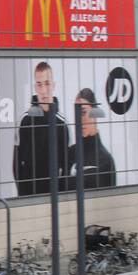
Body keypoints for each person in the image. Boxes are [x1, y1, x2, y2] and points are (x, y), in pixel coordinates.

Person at [13, 61, 70, 196]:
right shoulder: (25, 121)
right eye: (39, 84)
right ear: (35, 87)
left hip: (55, 198)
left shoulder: (63, 124)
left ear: (53, 85)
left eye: (47, 83)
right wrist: (25, 196)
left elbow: (67, 167)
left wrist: (59, 195)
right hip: (29, 198)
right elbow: (16, 164)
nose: (44, 90)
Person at [68, 89, 116, 191]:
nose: (80, 118)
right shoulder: (70, 153)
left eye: (83, 112)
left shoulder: (105, 160)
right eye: (77, 113)